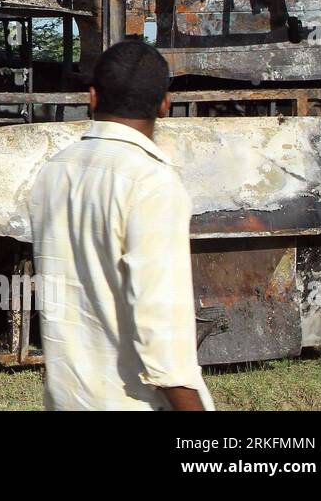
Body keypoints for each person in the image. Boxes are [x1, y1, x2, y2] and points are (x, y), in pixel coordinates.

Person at [27, 39, 213, 411]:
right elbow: (160, 317)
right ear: (164, 104)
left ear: (93, 98)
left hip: (68, 399)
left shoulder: (54, 171)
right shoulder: (152, 183)